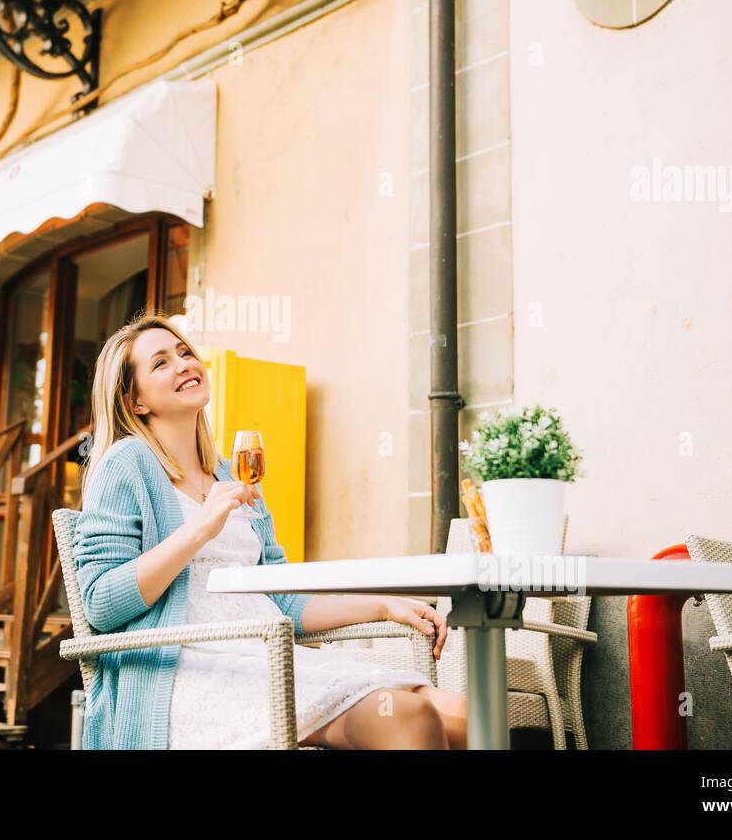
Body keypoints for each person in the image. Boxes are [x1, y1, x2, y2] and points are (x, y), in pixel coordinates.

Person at [73, 310, 468, 749]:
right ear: (135, 402)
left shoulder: (232, 474)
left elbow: (282, 600)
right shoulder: (126, 464)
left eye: (185, 352)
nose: (183, 364)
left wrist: (383, 607)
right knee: (407, 715)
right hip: (186, 674)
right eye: (161, 363)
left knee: (469, 716)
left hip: (269, 658)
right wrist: (200, 528)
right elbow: (101, 603)